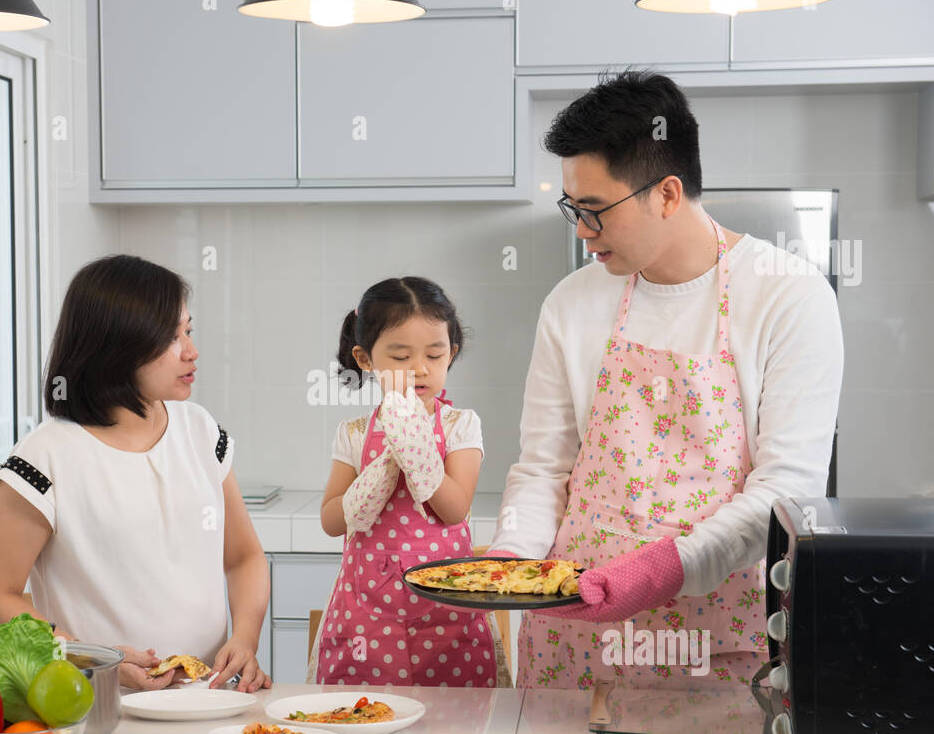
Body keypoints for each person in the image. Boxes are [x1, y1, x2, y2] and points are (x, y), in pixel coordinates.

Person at [488, 69, 843, 689]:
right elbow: (545, 468)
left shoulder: (788, 296)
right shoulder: (571, 303)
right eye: (573, 208)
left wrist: (650, 574)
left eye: (595, 211)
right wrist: (509, 561)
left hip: (711, 648)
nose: (581, 231)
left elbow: (787, 492)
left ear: (668, 193)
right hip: (572, 642)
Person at [0, 254, 271, 693]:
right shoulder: (44, 458)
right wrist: (90, 658)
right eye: (171, 338)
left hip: (206, 698)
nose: (191, 351)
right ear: (117, 346)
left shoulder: (200, 431)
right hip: (99, 703)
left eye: (188, 330)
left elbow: (243, 557)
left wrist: (245, 638)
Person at [309, 276, 510, 687]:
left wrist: (417, 452)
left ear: (451, 353)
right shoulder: (354, 432)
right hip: (367, 613)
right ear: (365, 360)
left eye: (435, 355)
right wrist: (378, 474)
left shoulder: (460, 425)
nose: (420, 369)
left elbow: (453, 510)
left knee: (453, 730)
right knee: (368, 722)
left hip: (447, 611)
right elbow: (332, 522)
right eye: (400, 357)